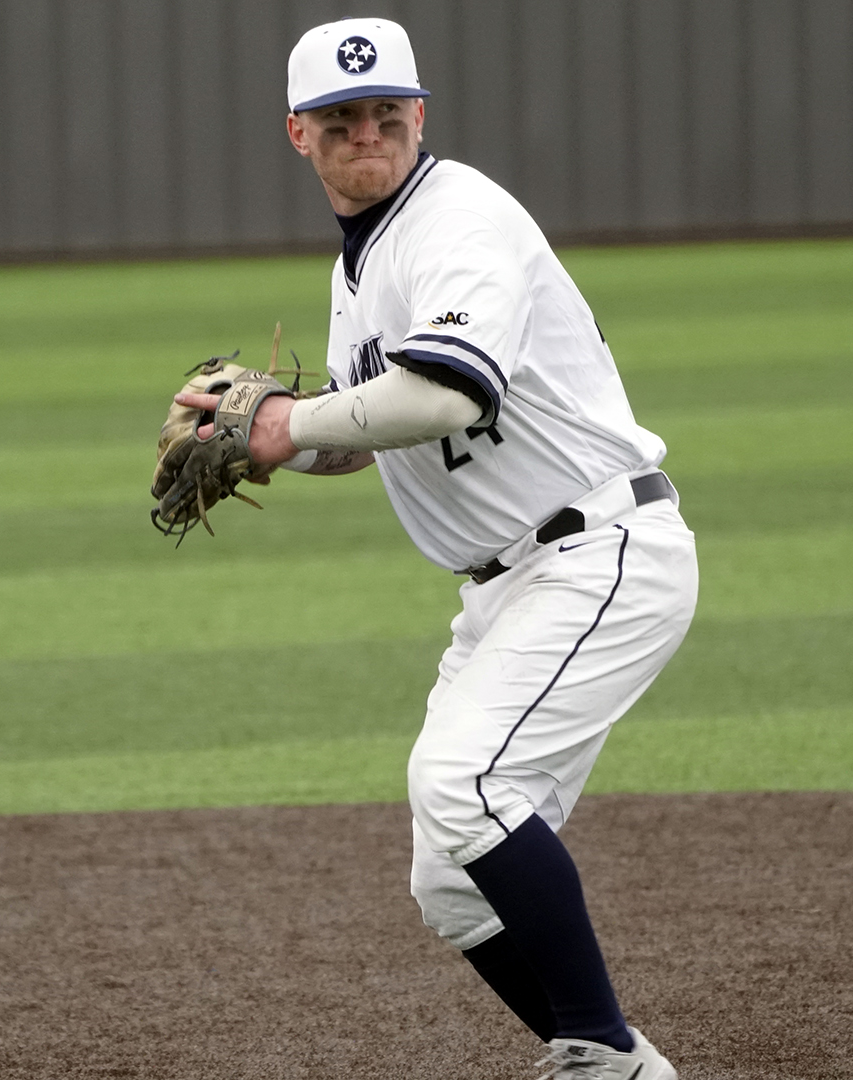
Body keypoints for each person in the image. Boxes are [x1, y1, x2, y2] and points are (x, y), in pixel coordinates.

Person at [176, 17, 698, 1079]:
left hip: (599, 553)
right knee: (452, 880)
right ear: (299, 134)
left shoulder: (459, 218)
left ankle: (602, 1055)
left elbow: (452, 388)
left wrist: (288, 423)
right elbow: (380, 427)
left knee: (466, 789)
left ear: (419, 114)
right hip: (511, 584)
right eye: (340, 118)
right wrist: (275, 438)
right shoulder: (363, 264)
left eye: (385, 112)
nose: (367, 131)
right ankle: (609, 1059)